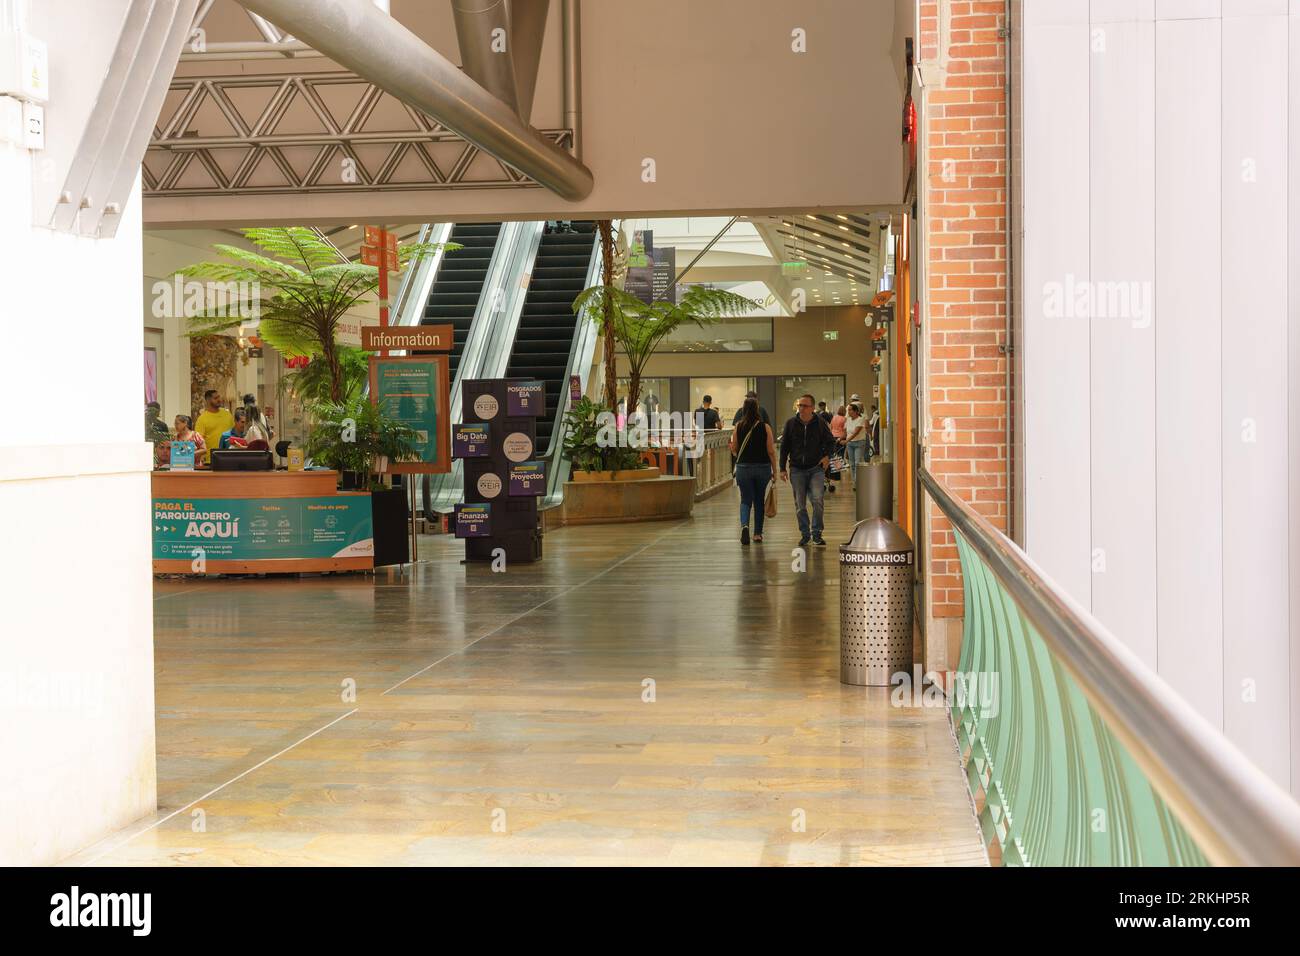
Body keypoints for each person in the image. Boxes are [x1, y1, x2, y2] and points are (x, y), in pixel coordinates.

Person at [779, 393, 836, 547]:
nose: (801, 408)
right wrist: (782, 468)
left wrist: (827, 457)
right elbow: (784, 447)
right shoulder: (790, 423)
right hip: (796, 469)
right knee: (800, 504)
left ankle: (817, 533)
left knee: (817, 500)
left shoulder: (820, 423)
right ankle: (805, 533)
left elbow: (831, 442)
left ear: (812, 408)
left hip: (816, 468)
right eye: (800, 405)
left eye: (804, 406)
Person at [729, 397, 778, 546]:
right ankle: (757, 533)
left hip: (744, 468)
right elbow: (771, 451)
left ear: (743, 410)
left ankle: (745, 526)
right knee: (758, 500)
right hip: (762, 468)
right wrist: (775, 470)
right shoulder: (765, 427)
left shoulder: (738, 426)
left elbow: (735, 449)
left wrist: (735, 452)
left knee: (745, 500)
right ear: (757, 410)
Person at [195, 389, 233, 465]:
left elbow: (234, 433)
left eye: (219, 397)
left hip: (229, 457)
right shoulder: (202, 419)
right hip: (210, 459)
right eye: (215, 398)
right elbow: (198, 442)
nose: (219, 400)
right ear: (208, 401)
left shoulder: (227, 414)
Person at [843, 402, 869, 488]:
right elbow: (846, 432)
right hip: (850, 444)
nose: (848, 412)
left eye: (850, 410)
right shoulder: (848, 420)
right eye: (848, 410)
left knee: (857, 463)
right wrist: (840, 438)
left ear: (855, 411)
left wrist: (846, 441)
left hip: (859, 443)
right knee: (852, 464)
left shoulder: (861, 419)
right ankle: (855, 482)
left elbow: (856, 433)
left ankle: (858, 482)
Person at [827, 405, 848, 493]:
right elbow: (845, 430)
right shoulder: (844, 419)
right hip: (840, 437)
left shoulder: (834, 417)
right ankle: (838, 472)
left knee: (834, 455)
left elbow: (831, 427)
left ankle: (835, 471)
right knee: (840, 454)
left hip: (833, 437)